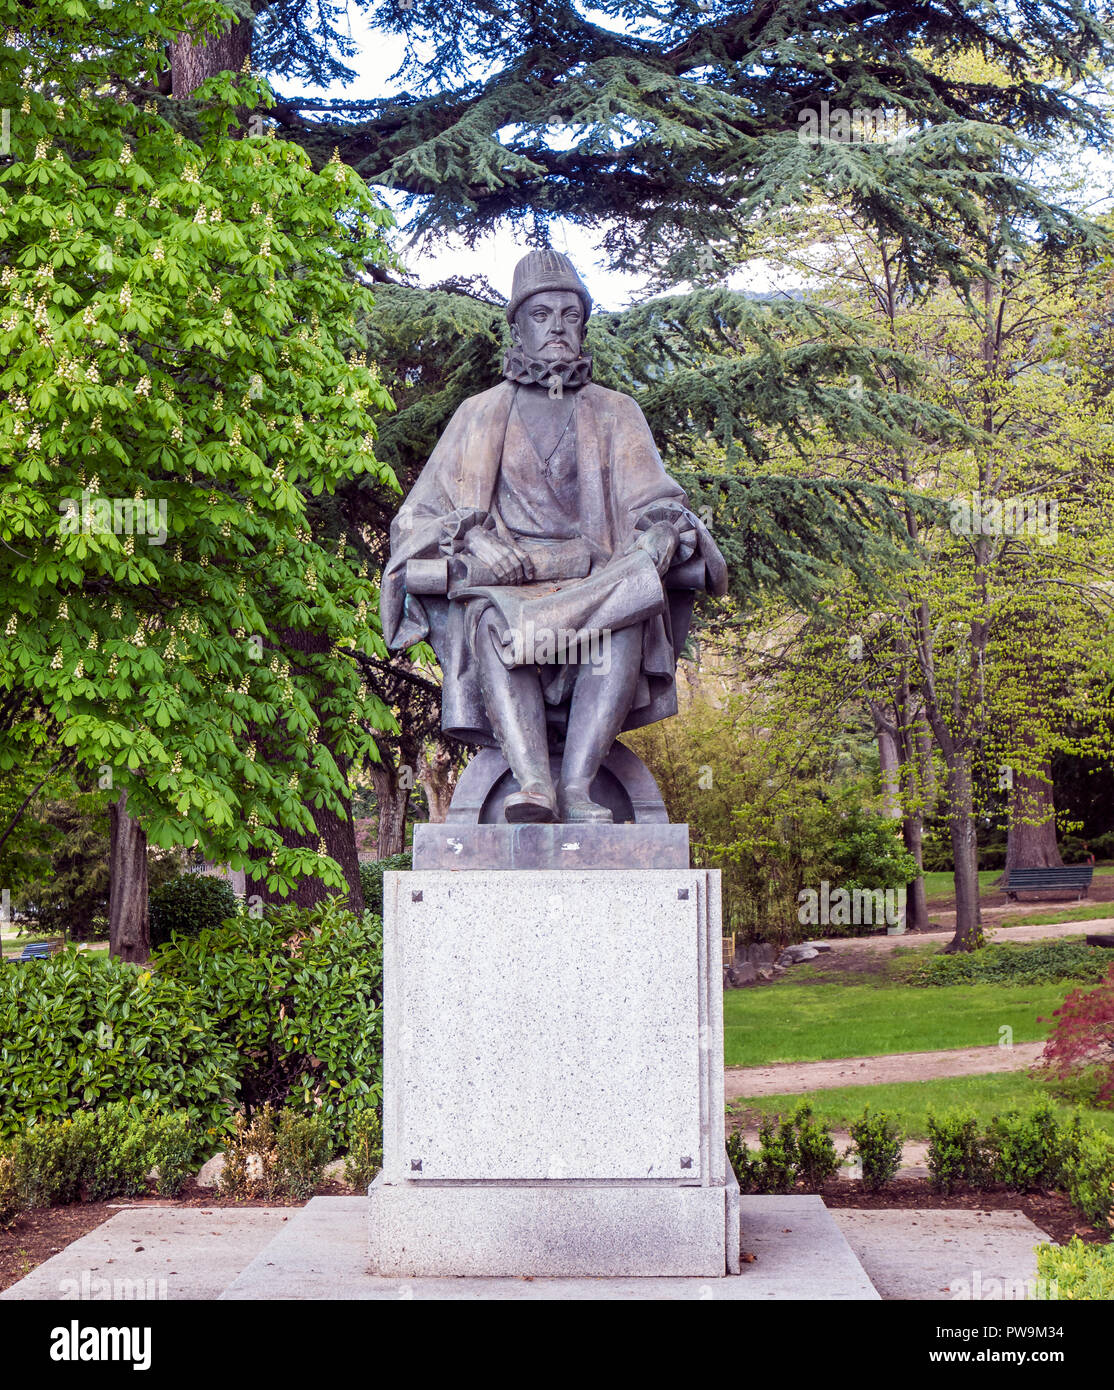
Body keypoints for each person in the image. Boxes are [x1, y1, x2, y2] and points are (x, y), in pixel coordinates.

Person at [380, 249, 726, 823]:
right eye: (542, 315)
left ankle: (578, 788)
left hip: (595, 588)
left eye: (571, 314)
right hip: (510, 595)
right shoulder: (477, 414)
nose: (558, 327)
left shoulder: (616, 412)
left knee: (622, 622)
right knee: (492, 622)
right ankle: (533, 784)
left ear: (584, 325)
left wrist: (662, 535)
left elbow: (659, 505)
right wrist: (469, 537)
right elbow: (416, 521)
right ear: (516, 326)